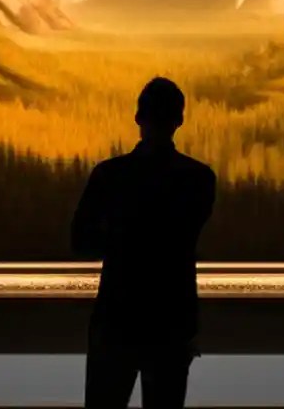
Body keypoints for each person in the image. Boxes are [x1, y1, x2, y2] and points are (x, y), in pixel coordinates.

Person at [71, 77, 217, 409]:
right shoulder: (199, 179)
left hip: (116, 321)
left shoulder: (108, 176)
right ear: (179, 120)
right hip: (170, 323)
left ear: (138, 117)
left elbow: (81, 243)